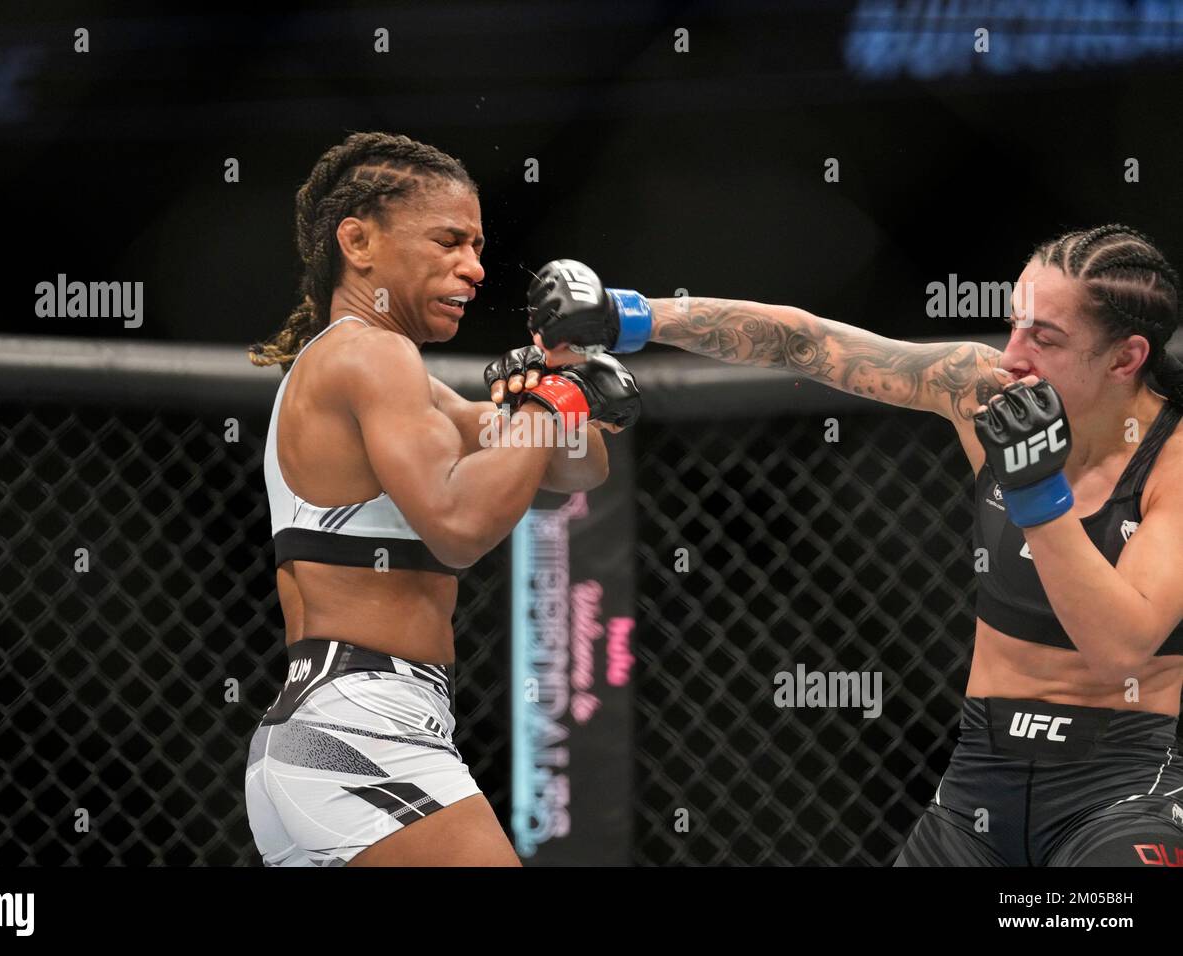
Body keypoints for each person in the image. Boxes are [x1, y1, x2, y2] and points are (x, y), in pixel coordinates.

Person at [526, 226, 1183, 865]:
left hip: (1123, 789)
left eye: (1044, 338)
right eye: (1013, 324)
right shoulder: (984, 392)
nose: (1011, 355)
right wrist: (627, 317)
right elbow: (802, 342)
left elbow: (1119, 649)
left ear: (1126, 358)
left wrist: (1037, 491)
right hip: (980, 786)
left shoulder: (1174, 467)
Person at [243, 132, 640, 866]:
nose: (475, 267)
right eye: (449, 241)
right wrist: (553, 400)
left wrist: (561, 378)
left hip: (320, 733)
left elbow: (577, 470)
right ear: (358, 242)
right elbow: (459, 527)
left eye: (479, 246)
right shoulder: (371, 354)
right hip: (363, 726)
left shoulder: (394, 382)